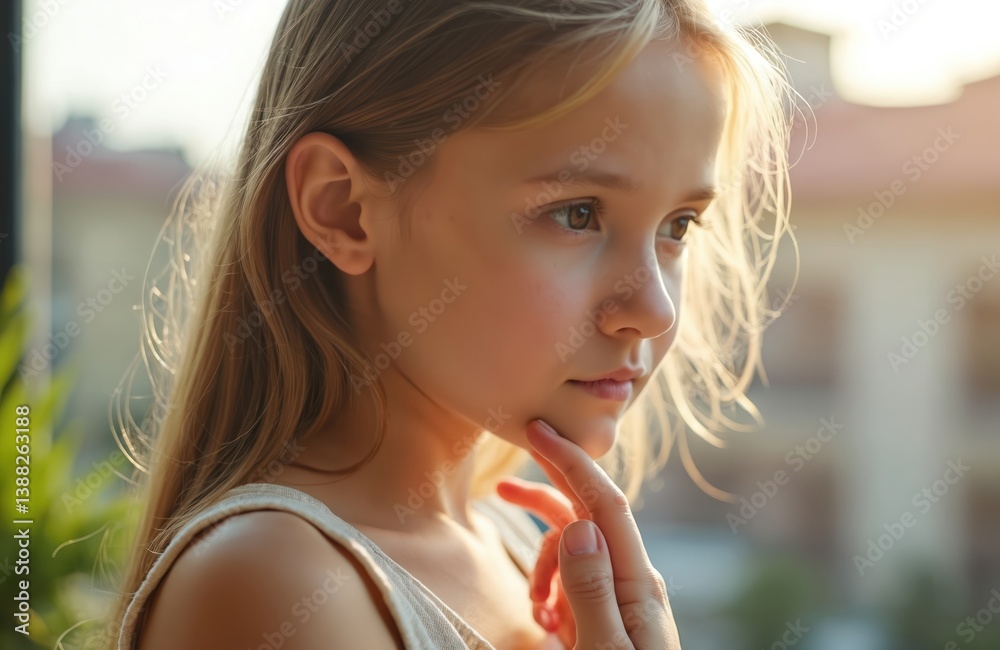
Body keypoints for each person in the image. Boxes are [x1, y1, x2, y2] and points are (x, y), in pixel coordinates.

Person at [106, 0, 797, 648]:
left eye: (679, 226)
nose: (656, 310)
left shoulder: (518, 554)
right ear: (343, 208)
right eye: (578, 214)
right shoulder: (273, 580)